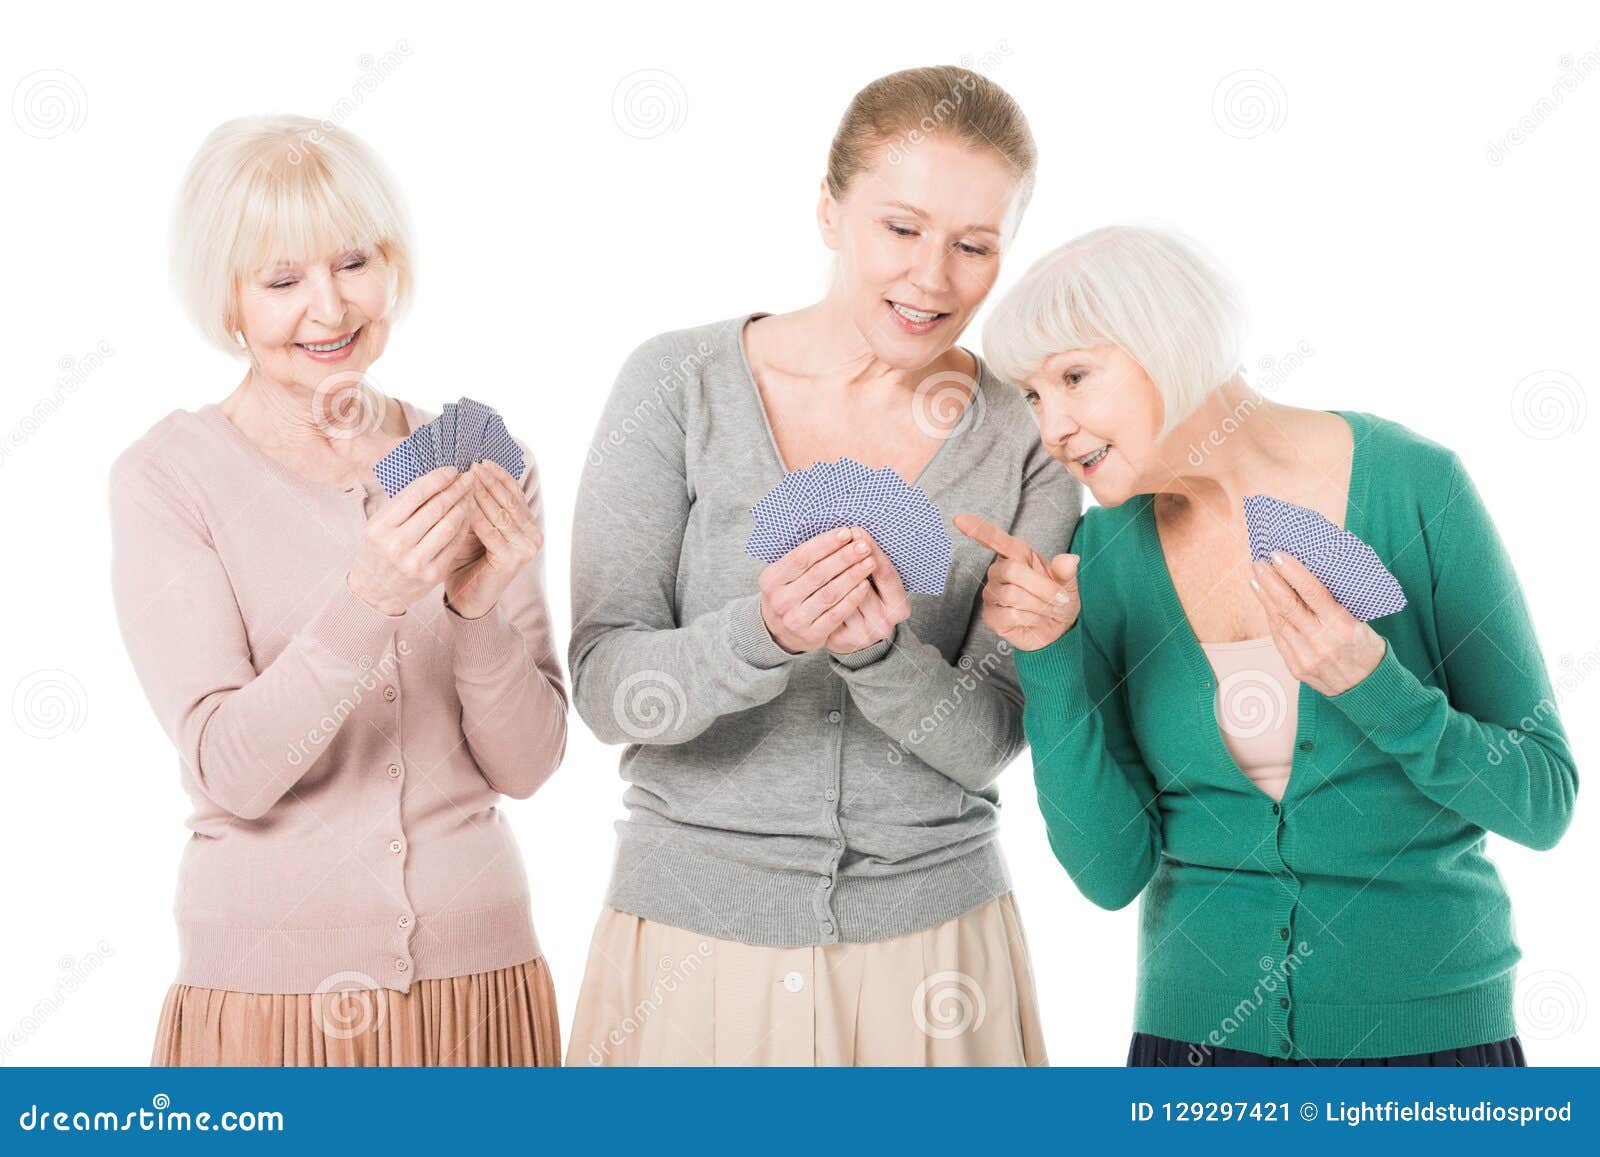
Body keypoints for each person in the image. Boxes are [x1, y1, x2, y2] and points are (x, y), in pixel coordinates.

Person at [961, 223, 1577, 1065]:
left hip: (1432, 1048)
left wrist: (1373, 684)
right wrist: (1050, 656)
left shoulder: (1414, 486)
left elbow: (1541, 802)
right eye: (1032, 396)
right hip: (1195, 1055)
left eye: (1073, 376)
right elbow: (1108, 873)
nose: (1054, 425)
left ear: (1168, 343)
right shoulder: (1105, 552)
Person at [565, 66, 1079, 1065]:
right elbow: (602, 690)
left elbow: (985, 743)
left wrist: (884, 656)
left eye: (973, 246)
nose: (932, 278)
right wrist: (757, 633)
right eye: (900, 227)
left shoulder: (1027, 432)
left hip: (935, 960)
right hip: (687, 950)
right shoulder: (675, 383)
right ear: (828, 210)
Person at [110, 115, 568, 1066]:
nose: (329, 308)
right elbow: (230, 769)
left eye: (353, 262)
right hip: (269, 998)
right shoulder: (169, 475)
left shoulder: (484, 459)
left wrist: (473, 610)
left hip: (480, 984)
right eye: (281, 281)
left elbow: (529, 765)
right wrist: (371, 591)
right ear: (228, 300)